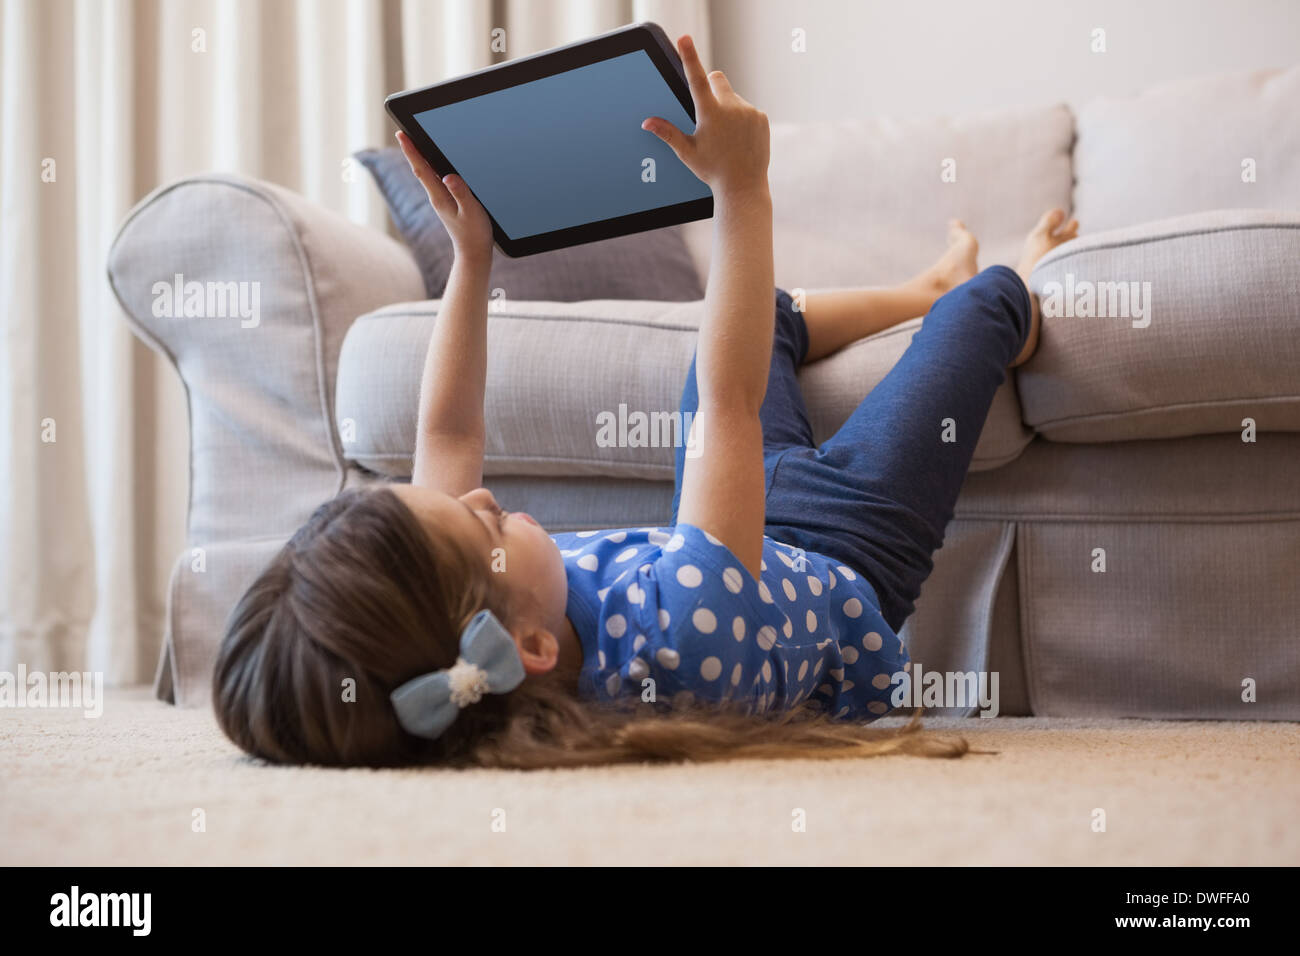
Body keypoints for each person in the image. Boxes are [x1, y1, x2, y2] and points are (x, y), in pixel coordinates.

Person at [213, 34, 1079, 768]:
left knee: (769, 319)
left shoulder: (502, 631)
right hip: (851, 545)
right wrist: (743, 190)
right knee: (987, 307)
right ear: (532, 649)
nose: (480, 497)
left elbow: (447, 427)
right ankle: (1008, 287)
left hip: (735, 515)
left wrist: (473, 258)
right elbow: (728, 400)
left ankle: (923, 287)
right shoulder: (688, 645)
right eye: (483, 525)